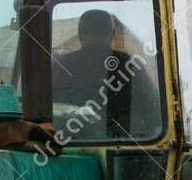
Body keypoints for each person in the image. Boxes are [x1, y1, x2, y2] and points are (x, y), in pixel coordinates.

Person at [51, 8, 156, 138]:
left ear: (80, 34)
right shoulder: (129, 65)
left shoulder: (62, 66)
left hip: (66, 143)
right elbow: (154, 112)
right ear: (112, 35)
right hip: (121, 146)